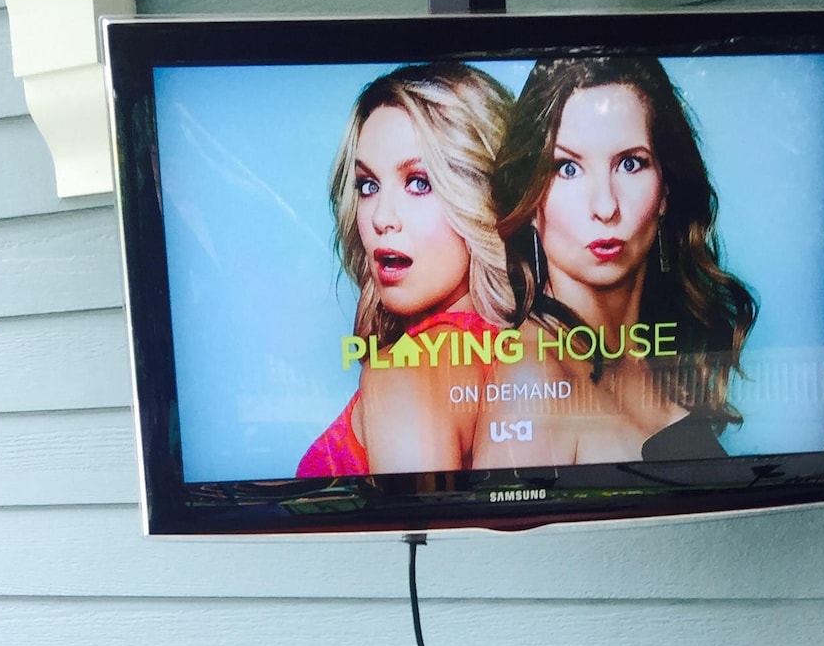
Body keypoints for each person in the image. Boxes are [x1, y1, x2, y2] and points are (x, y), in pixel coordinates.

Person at [477, 52, 757, 467]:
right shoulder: (534, 376)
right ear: (531, 200)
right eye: (567, 169)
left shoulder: (654, 354)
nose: (605, 206)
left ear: (665, 191)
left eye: (630, 163)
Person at [297, 61, 513, 477]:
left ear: (484, 195)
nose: (382, 217)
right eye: (368, 184)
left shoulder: (406, 373)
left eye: (418, 182)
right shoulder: (522, 352)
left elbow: (439, 536)